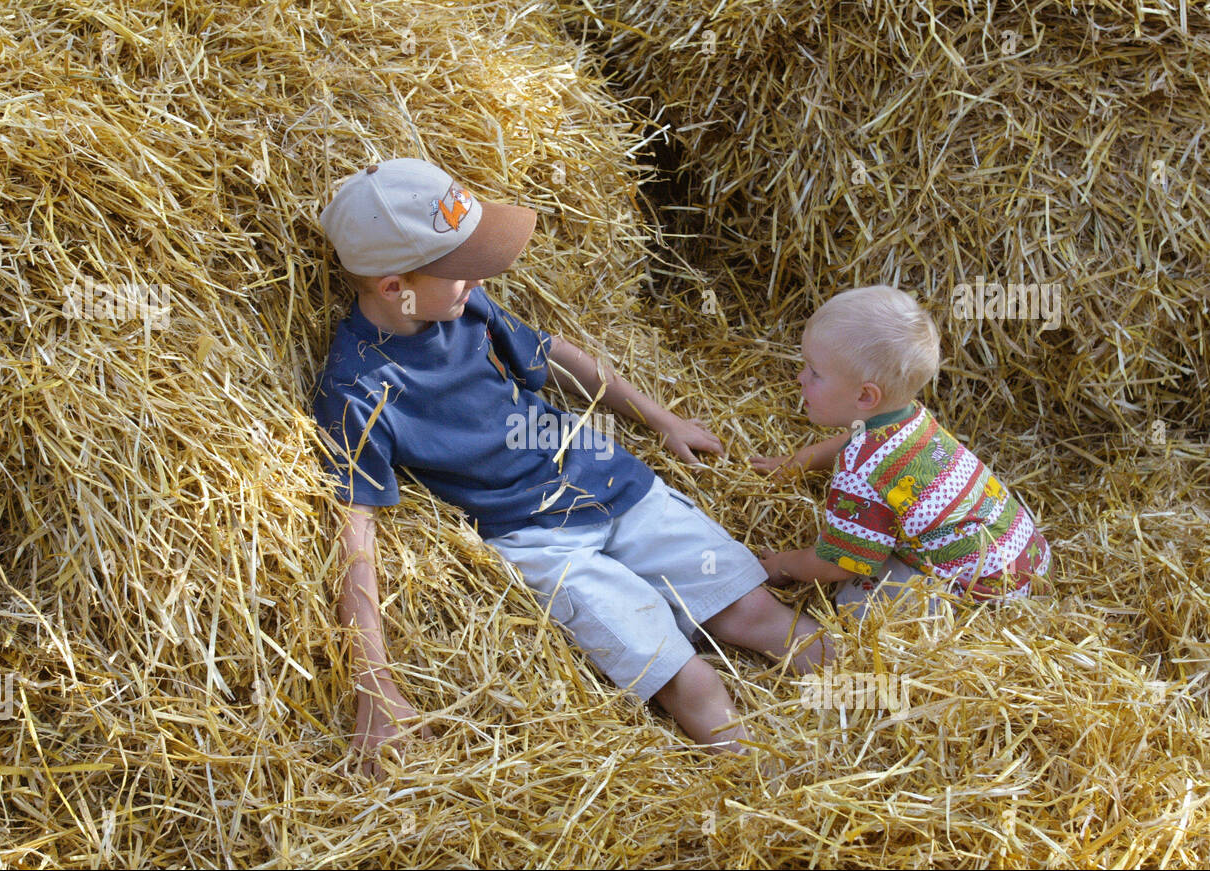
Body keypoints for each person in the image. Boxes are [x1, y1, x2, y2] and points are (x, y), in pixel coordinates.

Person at [312, 158, 834, 775]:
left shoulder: (465, 307)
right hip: (541, 540)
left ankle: (885, 709)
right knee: (686, 679)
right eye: (460, 270)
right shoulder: (359, 390)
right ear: (395, 285)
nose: (478, 280)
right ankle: (779, 794)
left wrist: (661, 420)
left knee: (756, 615)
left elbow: (555, 356)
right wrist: (372, 680)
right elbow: (356, 529)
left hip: (609, 482)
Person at [751, 286, 1050, 618]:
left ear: (865, 397)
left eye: (814, 372)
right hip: (1030, 558)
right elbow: (852, 438)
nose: (799, 377)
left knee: (855, 599)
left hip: (987, 604)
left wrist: (781, 565)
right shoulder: (910, 419)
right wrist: (796, 464)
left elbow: (837, 563)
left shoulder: (863, 472)